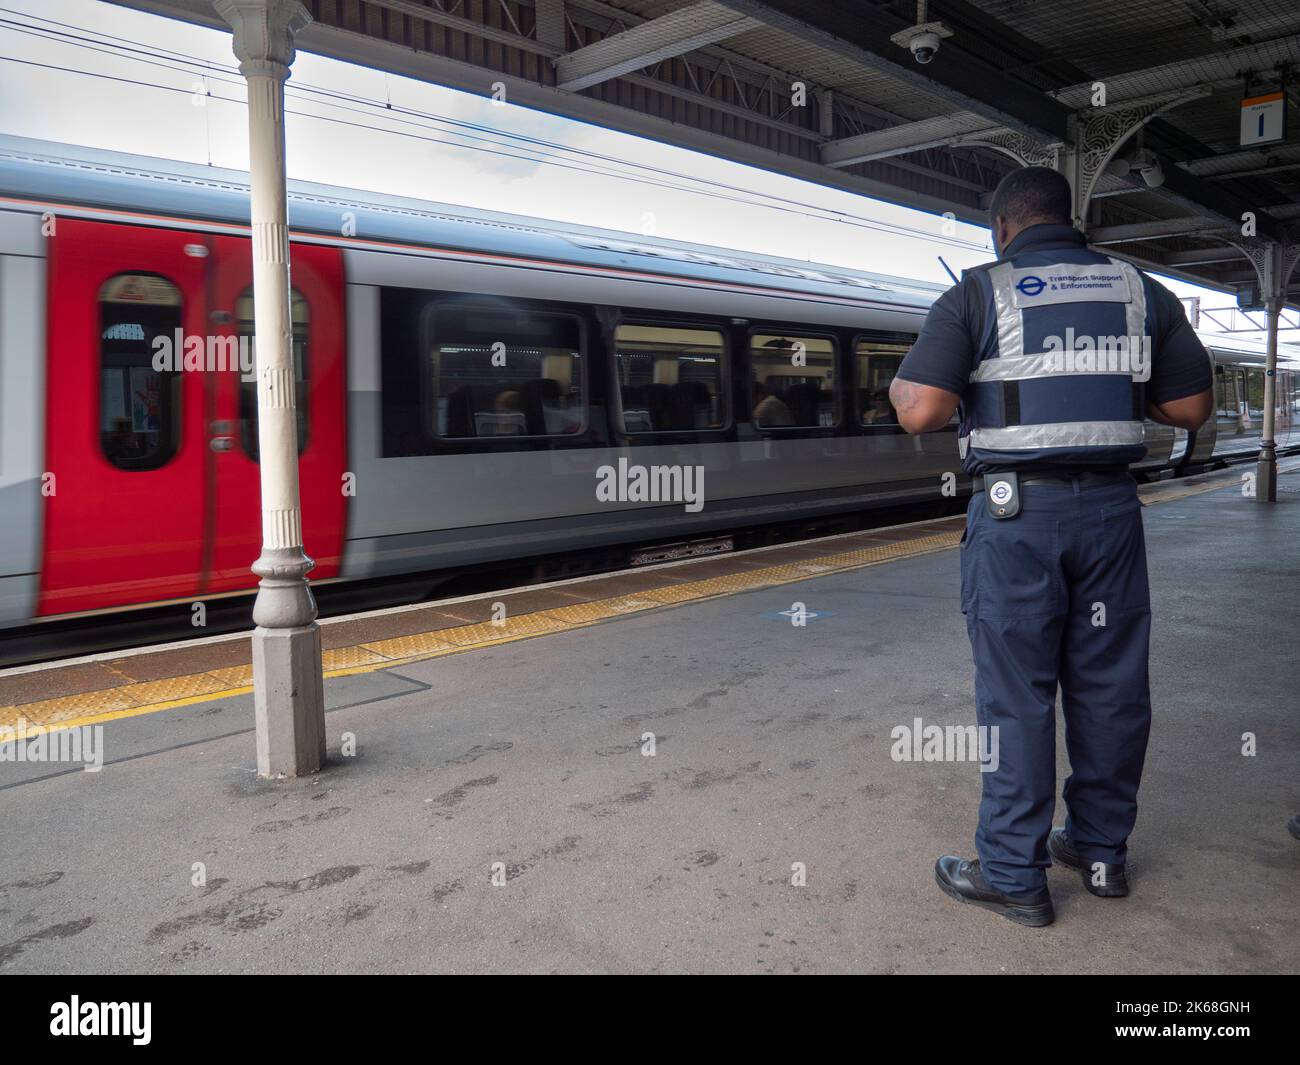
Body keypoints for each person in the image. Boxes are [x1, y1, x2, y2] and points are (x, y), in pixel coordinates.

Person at [888, 166, 1213, 927]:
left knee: (1017, 698)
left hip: (1017, 522)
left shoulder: (979, 290)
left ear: (1004, 227)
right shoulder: (1141, 291)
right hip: (1110, 515)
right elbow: (1191, 405)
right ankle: (1101, 854)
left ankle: (1013, 875)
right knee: (1110, 688)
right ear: (1070, 220)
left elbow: (921, 409)